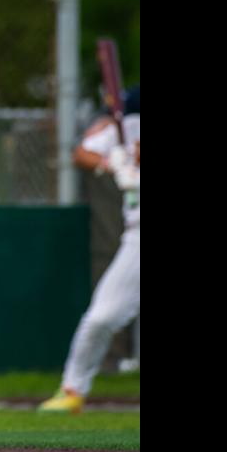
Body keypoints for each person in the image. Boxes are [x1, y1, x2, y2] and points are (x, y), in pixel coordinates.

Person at [39, 95, 140, 414]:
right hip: (137, 238)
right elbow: (82, 153)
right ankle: (72, 391)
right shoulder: (124, 123)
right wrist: (111, 163)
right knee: (102, 317)